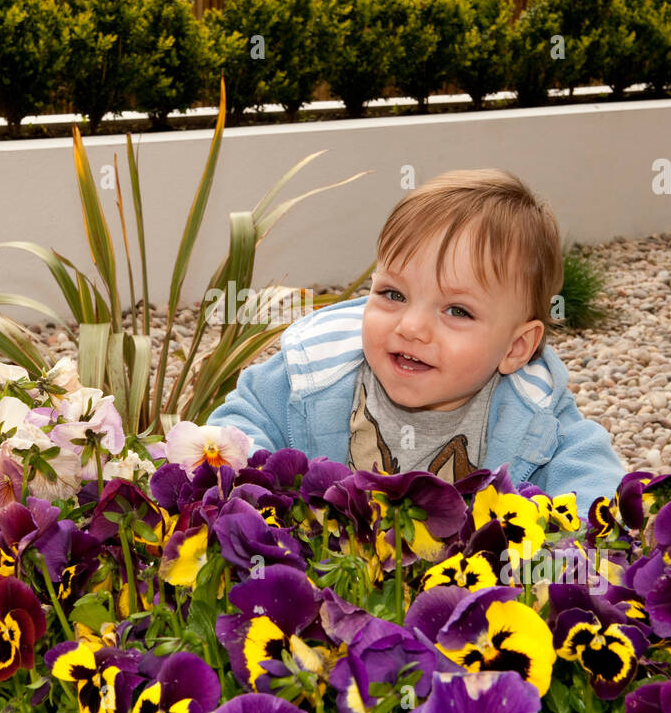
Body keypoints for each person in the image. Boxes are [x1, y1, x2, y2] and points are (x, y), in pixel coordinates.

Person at [206, 168, 626, 514]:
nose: (411, 327)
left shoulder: (531, 408)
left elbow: (590, 476)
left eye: (457, 311)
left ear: (516, 348)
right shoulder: (319, 369)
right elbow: (241, 420)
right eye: (393, 294)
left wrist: (576, 544)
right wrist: (262, 496)